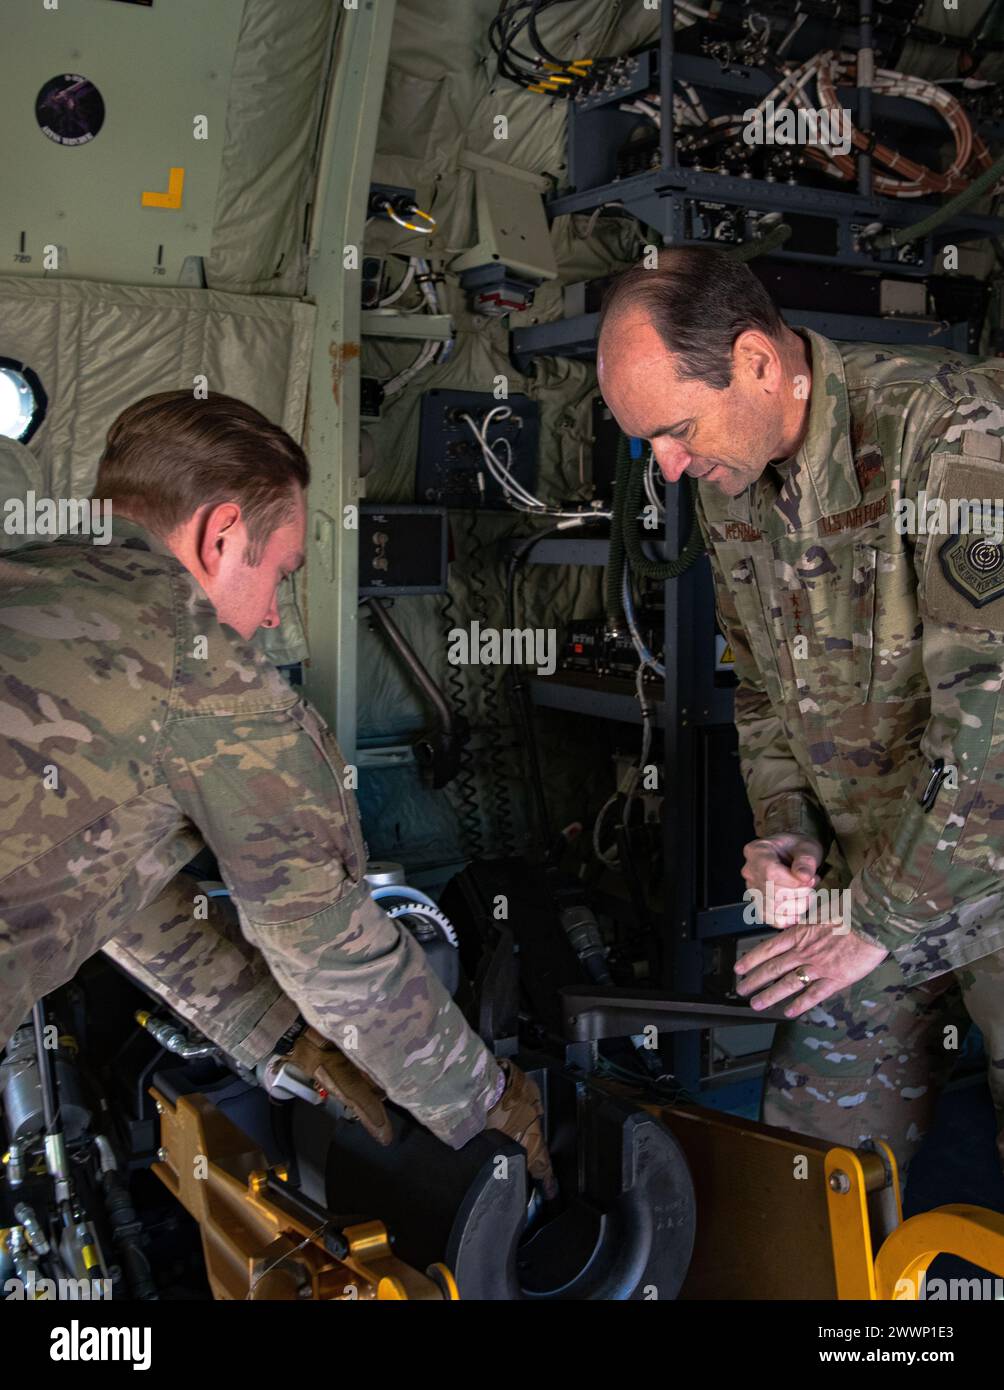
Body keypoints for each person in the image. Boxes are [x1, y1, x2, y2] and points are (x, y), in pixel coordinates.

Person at [0, 391, 554, 1193]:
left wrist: (277, 1032)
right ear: (221, 534)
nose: (267, 619)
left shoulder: (29, 579)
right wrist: (490, 1110)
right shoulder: (205, 676)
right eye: (281, 574)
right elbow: (328, 951)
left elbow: (103, 887)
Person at [597, 245, 1004, 1175]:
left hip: (984, 871)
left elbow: (996, 716)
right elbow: (765, 694)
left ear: (757, 362)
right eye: (645, 443)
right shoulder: (730, 486)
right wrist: (789, 831)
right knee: (810, 1168)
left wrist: (878, 921)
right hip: (873, 879)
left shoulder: (948, 439)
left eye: (675, 429)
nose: (665, 467)